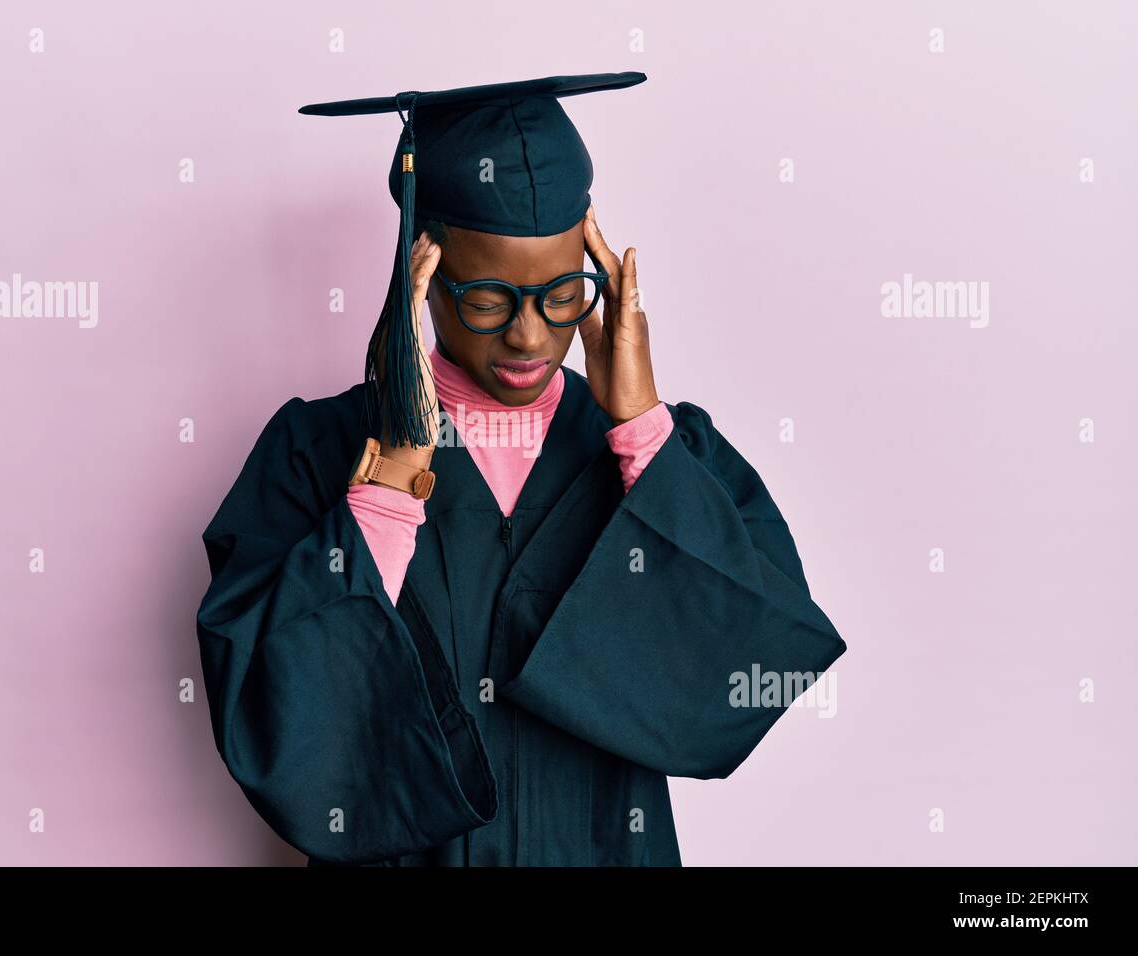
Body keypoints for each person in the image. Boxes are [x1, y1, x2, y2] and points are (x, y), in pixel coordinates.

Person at [195, 73, 847, 866]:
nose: (531, 337)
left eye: (562, 293)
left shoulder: (659, 452)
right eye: (490, 300)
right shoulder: (315, 451)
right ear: (420, 276)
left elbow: (759, 657)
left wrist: (641, 428)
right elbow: (270, 709)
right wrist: (394, 479)